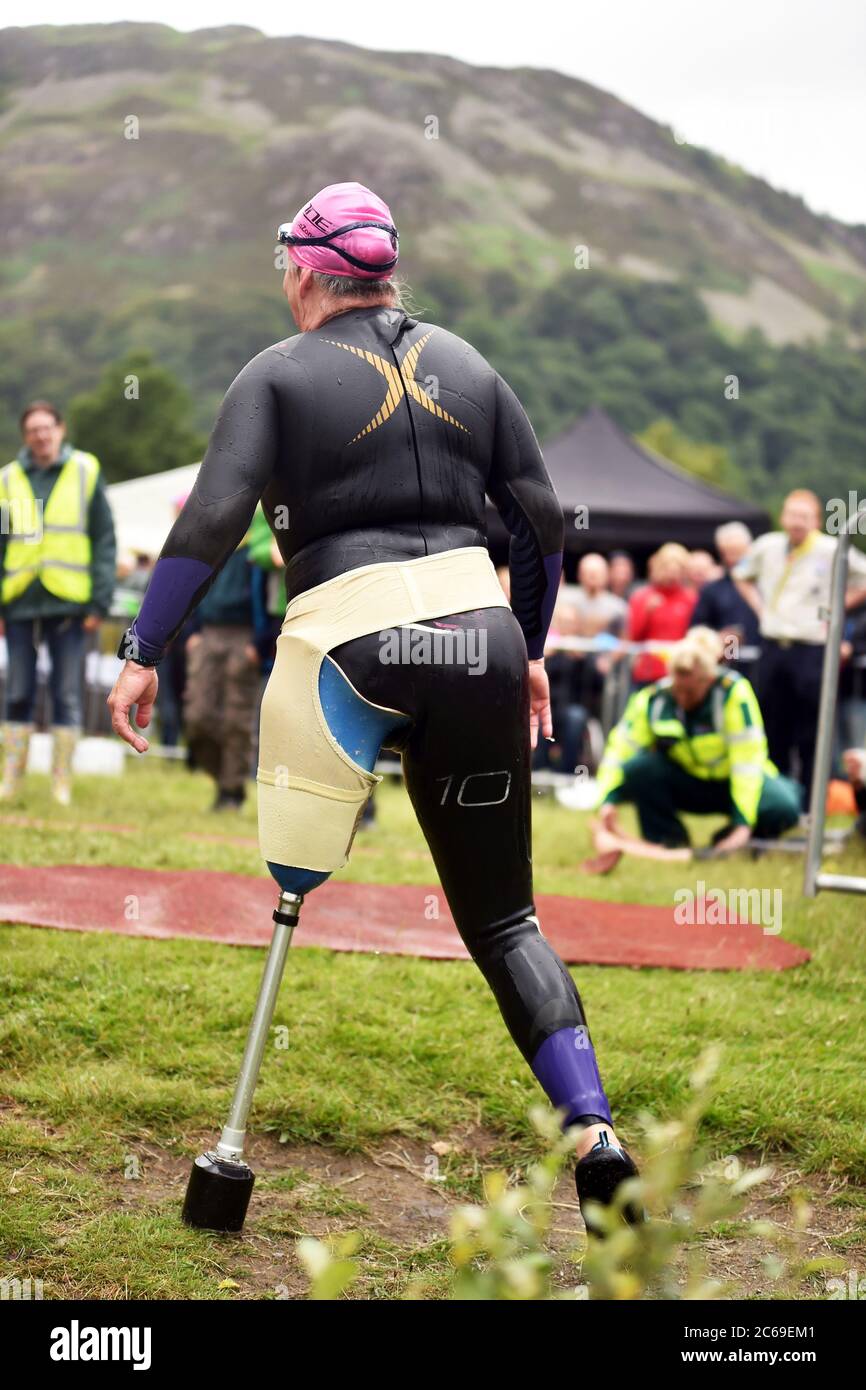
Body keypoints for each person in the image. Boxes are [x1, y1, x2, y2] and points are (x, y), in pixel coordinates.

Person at [107, 180, 641, 1231]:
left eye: (284, 275)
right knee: (503, 917)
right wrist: (527, 649)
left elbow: (215, 513)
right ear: (386, 272)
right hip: (476, 637)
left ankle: (226, 1165)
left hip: (344, 641)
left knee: (293, 887)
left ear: (306, 274)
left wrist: (142, 647)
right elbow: (539, 526)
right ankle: (593, 1131)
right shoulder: (474, 366)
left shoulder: (274, 372)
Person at [0, 400, 116, 804]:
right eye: (33, 430)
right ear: (25, 435)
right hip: (18, 602)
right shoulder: (10, 479)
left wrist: (99, 603)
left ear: (61, 429)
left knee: (67, 693)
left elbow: (104, 540)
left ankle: (60, 783)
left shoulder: (85, 471)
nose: (41, 436)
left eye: (47, 428)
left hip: (70, 603)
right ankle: (10, 780)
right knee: (17, 690)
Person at [594, 626, 801, 851]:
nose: (682, 698)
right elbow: (621, 750)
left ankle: (733, 837)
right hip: (688, 781)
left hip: (730, 781)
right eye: (677, 689)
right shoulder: (654, 699)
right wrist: (608, 800)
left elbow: (747, 763)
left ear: (708, 679)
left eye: (689, 692)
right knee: (640, 768)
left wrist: (743, 823)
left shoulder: (734, 694)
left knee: (785, 806)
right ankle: (668, 839)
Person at [734, 489, 866, 804]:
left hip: (812, 649)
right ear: (783, 516)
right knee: (771, 725)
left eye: (804, 516)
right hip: (774, 647)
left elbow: (863, 578)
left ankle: (810, 802)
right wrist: (759, 609)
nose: (797, 522)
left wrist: (838, 609)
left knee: (812, 729)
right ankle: (777, 797)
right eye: (792, 515)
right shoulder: (767, 547)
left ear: (816, 520)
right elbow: (741, 574)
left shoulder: (830, 548)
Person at [183, 535, 260, 811]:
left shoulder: (257, 544)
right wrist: (191, 632)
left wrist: (261, 641)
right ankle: (221, 777)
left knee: (236, 719)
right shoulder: (212, 541)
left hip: (244, 635)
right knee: (198, 715)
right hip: (208, 633)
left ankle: (231, 790)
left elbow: (266, 591)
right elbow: (190, 586)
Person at [692, 522, 761, 673]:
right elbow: (698, 627)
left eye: (738, 552)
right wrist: (718, 637)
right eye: (728, 552)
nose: (733, 558)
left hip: (763, 665)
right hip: (726, 665)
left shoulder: (765, 586)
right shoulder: (712, 589)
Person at [626, 542, 696, 687]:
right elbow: (633, 635)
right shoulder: (642, 597)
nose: (671, 574)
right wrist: (647, 613)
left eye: (677, 569)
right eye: (667, 568)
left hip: (679, 670)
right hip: (647, 673)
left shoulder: (691, 599)